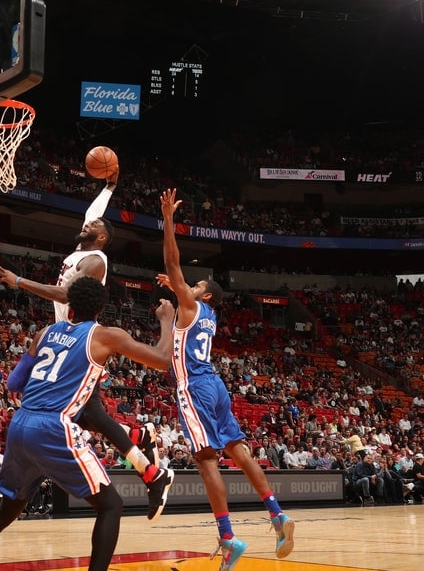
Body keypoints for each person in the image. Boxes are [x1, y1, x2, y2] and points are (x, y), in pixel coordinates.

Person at [0, 276, 175, 571]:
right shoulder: (105, 335)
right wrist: (168, 319)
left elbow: (15, 382)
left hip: (20, 423)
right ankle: (147, 466)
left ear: (69, 307)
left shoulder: (45, 332)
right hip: (54, 426)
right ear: (100, 309)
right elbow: (161, 359)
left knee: (8, 509)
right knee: (110, 505)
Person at [0, 171, 172, 519]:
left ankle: (149, 465)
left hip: (80, 339)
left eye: (94, 226)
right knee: (91, 414)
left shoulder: (96, 260)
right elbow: (93, 213)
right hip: (65, 337)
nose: (87, 224)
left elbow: (64, 293)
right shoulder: (81, 248)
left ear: (101, 237)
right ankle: (149, 463)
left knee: (88, 414)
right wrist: (109, 187)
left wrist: (18, 281)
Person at [158, 189, 294, 568]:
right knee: (238, 449)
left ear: (205, 295)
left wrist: (168, 220)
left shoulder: (192, 305)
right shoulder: (208, 316)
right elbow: (180, 288)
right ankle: (277, 514)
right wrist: (175, 289)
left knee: (206, 461)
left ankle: (228, 537)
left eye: (197, 285)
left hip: (195, 389)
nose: (193, 284)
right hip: (216, 386)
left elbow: (173, 262)